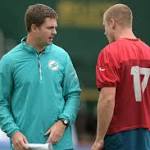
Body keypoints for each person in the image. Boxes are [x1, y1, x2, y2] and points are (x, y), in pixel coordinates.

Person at [0, 4, 81, 150]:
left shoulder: (62, 56)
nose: (55, 32)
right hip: (25, 145)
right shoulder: (9, 61)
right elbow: (1, 102)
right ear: (34, 28)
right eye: (50, 28)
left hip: (60, 145)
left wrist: (63, 122)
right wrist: (13, 132)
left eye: (55, 27)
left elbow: (73, 94)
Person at [91, 3, 150, 150]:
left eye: (105, 26)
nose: (105, 32)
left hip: (119, 134)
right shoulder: (148, 51)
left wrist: (99, 139)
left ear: (112, 23)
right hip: (146, 133)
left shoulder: (110, 52)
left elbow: (107, 99)